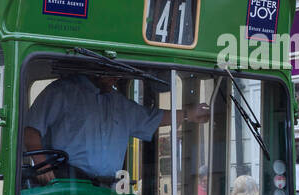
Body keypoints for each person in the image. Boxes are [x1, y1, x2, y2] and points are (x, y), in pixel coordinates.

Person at [22, 73, 210, 184]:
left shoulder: (119, 103)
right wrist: (43, 167)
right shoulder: (61, 91)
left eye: (117, 75)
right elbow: (30, 131)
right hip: (68, 183)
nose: (115, 79)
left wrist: (188, 114)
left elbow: (151, 118)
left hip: (107, 188)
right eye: (111, 73)